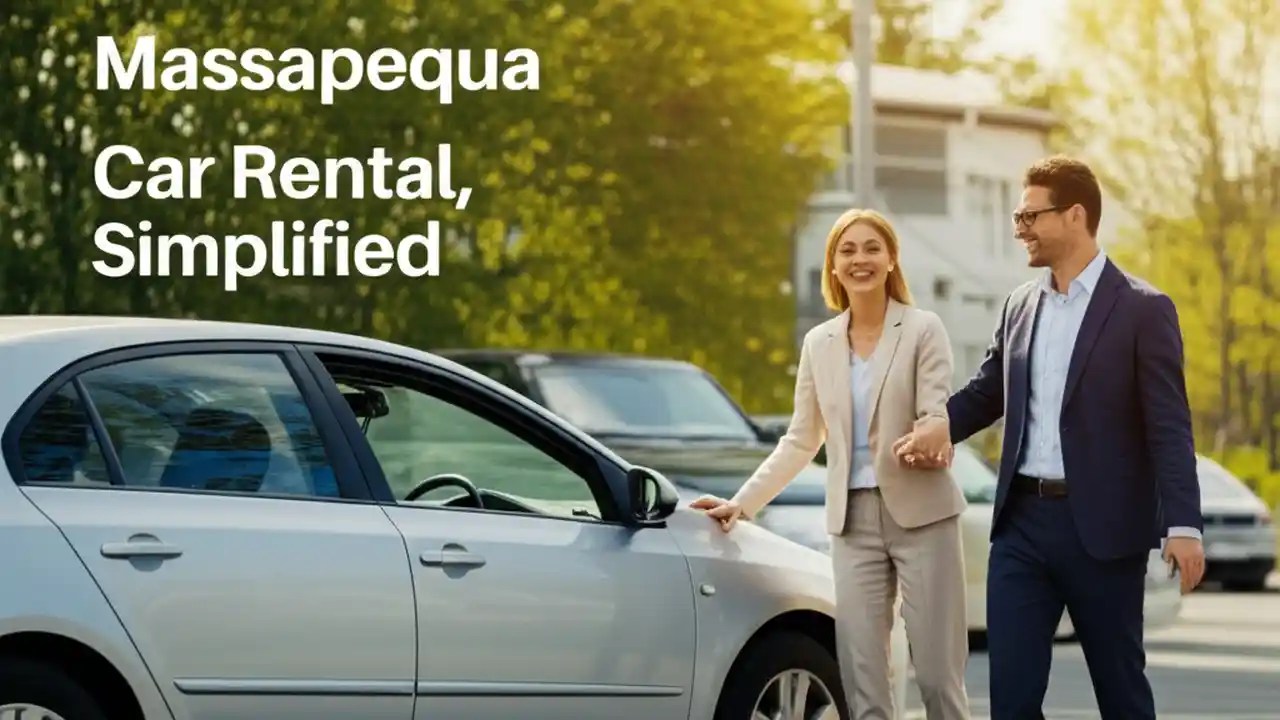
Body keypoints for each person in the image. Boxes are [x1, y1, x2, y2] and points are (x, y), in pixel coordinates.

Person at [894, 155, 1206, 720]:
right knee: (1011, 701)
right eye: (1019, 218)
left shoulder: (1143, 310)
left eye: (1029, 216)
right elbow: (989, 390)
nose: (1020, 230)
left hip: (1105, 534)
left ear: (1075, 215)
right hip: (1022, 528)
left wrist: (1183, 524)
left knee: (1121, 695)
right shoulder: (1020, 305)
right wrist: (940, 424)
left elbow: (1169, 426)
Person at [690, 208, 971, 720]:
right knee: (864, 679)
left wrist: (933, 431)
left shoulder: (922, 328)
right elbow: (801, 439)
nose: (860, 259)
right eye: (848, 250)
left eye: (872, 248)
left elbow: (934, 408)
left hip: (924, 516)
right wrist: (742, 503)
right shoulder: (818, 343)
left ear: (891, 260)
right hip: (852, 522)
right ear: (833, 266)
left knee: (937, 676)